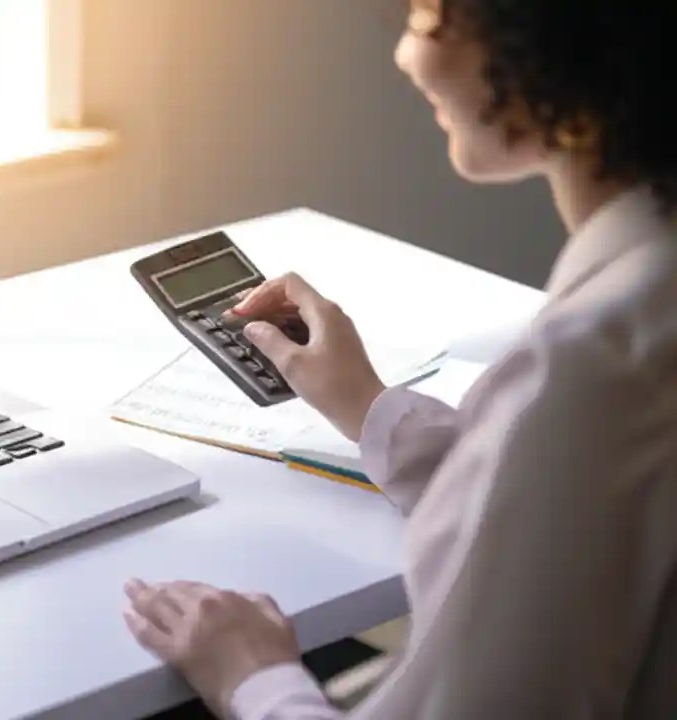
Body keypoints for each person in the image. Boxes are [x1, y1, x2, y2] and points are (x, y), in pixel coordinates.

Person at [122, 0, 677, 717]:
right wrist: (371, 408)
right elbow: (568, 516)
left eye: (425, 16)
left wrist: (253, 678)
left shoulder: (588, 368)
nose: (405, 57)